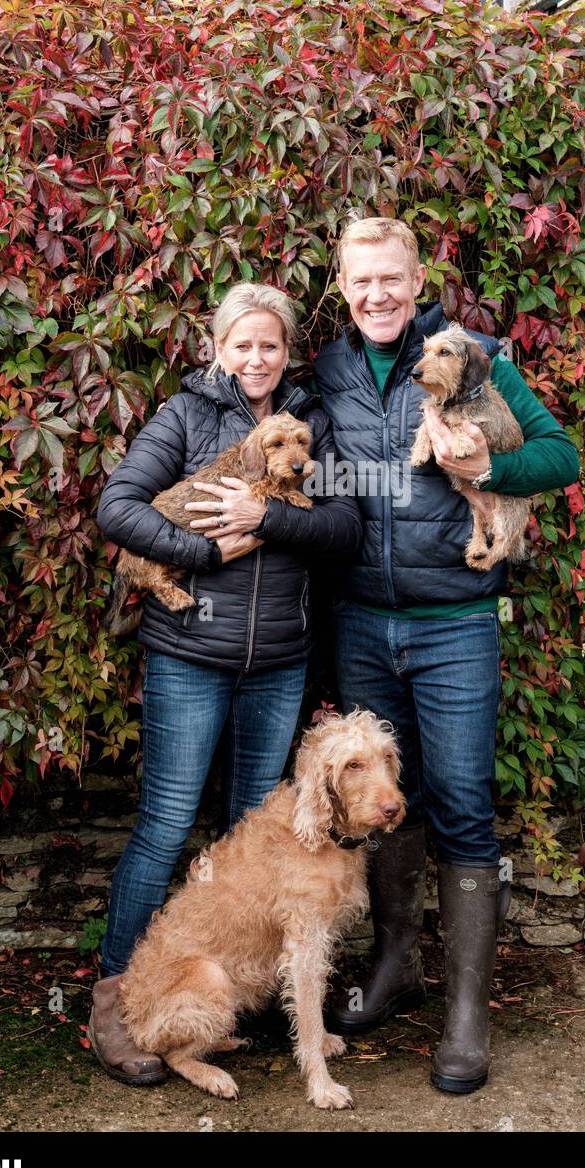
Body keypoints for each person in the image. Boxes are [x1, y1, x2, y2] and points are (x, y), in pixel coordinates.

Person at [314, 217, 581, 1094]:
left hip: (456, 621)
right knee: (382, 807)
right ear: (343, 286)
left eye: (392, 279)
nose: (378, 295)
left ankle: (467, 1014)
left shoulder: (471, 356)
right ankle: (396, 970)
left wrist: (489, 471)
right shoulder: (330, 369)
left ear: (418, 277)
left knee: (463, 804)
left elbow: (559, 455)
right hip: (358, 620)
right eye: (362, 282)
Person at [89, 281, 362, 1085]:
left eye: (269, 344)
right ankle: (116, 1006)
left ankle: (262, 1002)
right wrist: (210, 552)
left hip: (278, 661)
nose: (255, 357)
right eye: (241, 343)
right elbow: (118, 507)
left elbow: (343, 528)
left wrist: (264, 517)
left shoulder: (312, 421)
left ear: (286, 352)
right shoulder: (184, 416)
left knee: (259, 845)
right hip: (187, 655)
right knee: (166, 825)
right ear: (217, 348)